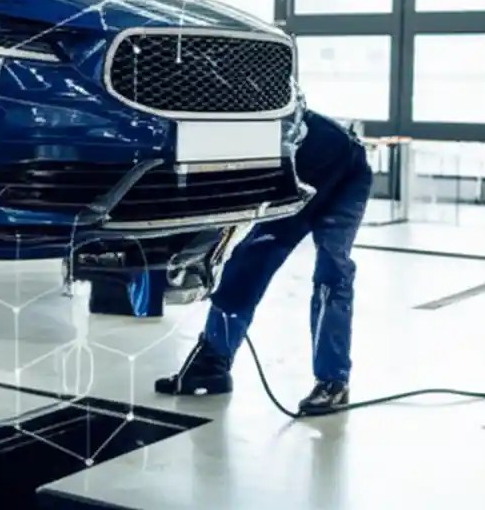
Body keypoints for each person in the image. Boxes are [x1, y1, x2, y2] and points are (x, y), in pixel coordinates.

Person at [154, 109, 373, 415]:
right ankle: (211, 364)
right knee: (247, 262)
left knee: (331, 269)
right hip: (298, 177)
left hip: (343, 173)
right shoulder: (207, 136)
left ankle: (333, 382)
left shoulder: (260, 127)